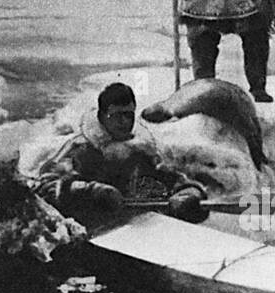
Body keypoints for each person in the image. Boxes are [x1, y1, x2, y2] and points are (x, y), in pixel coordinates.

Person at [31, 81, 207, 226]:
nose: (125, 122)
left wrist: (188, 195)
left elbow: (172, 179)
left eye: (129, 115)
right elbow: (45, 186)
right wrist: (91, 191)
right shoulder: (81, 148)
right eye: (116, 116)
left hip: (132, 234)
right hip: (86, 233)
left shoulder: (141, 150)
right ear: (101, 116)